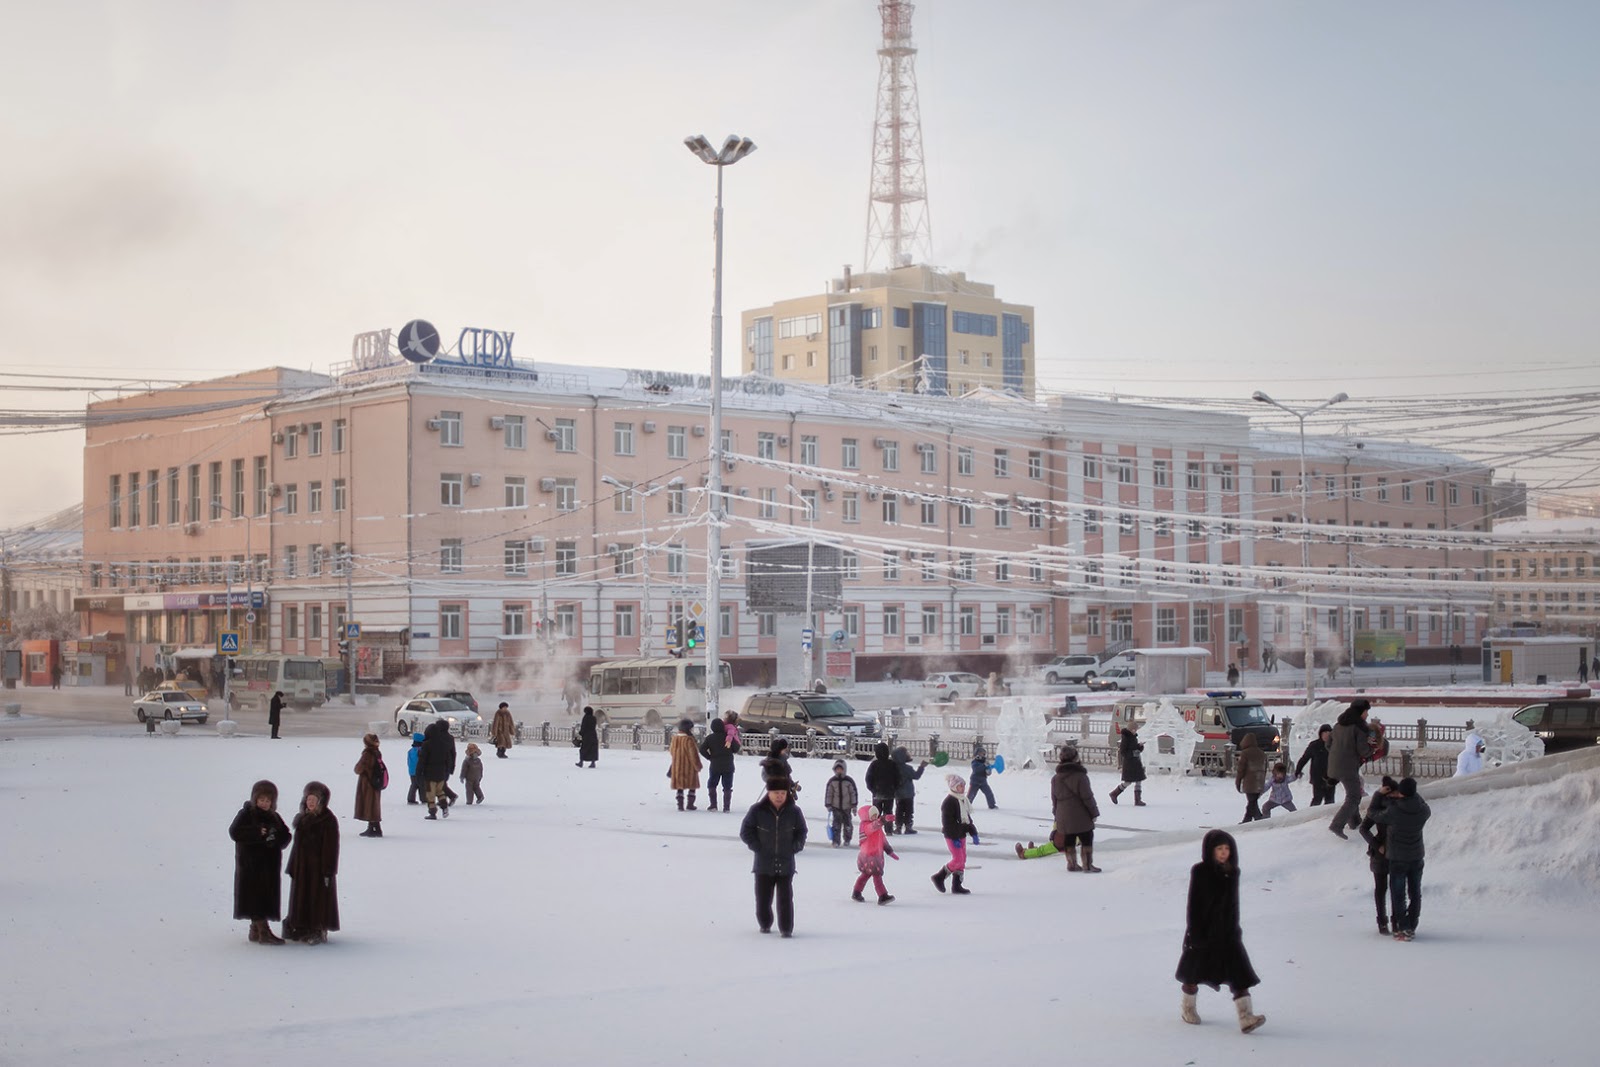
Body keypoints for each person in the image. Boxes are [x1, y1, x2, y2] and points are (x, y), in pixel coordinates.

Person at [1176, 830, 1265, 1033]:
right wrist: (1195, 933)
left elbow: (1234, 904)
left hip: (1228, 934)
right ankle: (1187, 1008)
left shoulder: (1232, 871)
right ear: (1210, 850)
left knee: (1239, 973)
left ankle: (1246, 1017)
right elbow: (1194, 905)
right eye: (1219, 849)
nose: (1224, 853)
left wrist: (1235, 929)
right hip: (1202, 932)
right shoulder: (1200, 872)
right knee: (1193, 974)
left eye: (1227, 848)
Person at [738, 775, 808, 938]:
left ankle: (786, 928)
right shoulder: (757, 810)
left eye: (782, 793)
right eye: (776, 793)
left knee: (785, 899)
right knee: (763, 898)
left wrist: (795, 846)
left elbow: (802, 832)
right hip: (763, 863)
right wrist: (757, 846)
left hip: (786, 863)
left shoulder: (794, 812)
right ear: (769, 793)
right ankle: (765, 923)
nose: (779, 796)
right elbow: (745, 831)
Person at [228, 779, 291, 945]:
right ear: (255, 799)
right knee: (256, 897)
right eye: (262, 800)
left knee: (264, 896)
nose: (264, 803)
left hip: (269, 867)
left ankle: (255, 930)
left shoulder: (274, 816)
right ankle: (263, 931)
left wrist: (274, 837)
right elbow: (234, 832)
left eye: (268, 800)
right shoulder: (246, 814)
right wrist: (257, 832)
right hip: (251, 866)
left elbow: (286, 836)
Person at [1370, 777, 1430, 941]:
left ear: (1401, 793)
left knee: (1398, 894)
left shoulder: (1394, 811)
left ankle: (1403, 928)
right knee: (1415, 892)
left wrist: (1377, 795)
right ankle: (1412, 924)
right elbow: (1420, 802)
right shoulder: (1424, 811)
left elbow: (1373, 814)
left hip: (1397, 858)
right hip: (1417, 856)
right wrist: (1410, 795)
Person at [283, 781, 339, 945]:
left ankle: (318, 928)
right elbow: (296, 846)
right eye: (309, 798)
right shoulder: (302, 819)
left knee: (317, 898)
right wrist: (292, 866)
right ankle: (301, 927)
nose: (311, 802)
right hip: (302, 867)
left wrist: (328, 870)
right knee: (301, 897)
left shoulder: (328, 820)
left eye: (314, 799)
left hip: (318, 869)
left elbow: (331, 848)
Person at [1326, 699, 1374, 839]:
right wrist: (1373, 748)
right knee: (1354, 796)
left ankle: (1354, 822)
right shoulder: (1359, 728)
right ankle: (1337, 824)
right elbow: (1364, 751)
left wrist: (1338, 754)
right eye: (1366, 712)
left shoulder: (1338, 725)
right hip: (1348, 767)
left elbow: (1328, 745)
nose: (1367, 715)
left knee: (1351, 792)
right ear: (1361, 712)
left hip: (1334, 766)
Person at [1358, 776, 1399, 935]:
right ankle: (1390, 921)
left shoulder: (1379, 807)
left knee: (1383, 889)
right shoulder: (1383, 808)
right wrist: (1378, 846)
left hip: (1383, 851)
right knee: (1389, 888)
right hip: (1386, 852)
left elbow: (1363, 829)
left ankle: (1384, 922)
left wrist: (1376, 845)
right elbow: (1364, 828)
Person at [1050, 745, 1101, 872]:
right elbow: (1087, 797)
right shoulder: (1080, 776)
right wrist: (1094, 812)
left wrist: (1056, 815)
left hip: (1063, 814)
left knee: (1069, 838)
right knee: (1087, 837)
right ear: (1075, 758)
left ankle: (1071, 864)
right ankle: (1087, 865)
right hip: (1081, 814)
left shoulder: (1056, 778)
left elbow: (1054, 799)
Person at [932, 774, 978, 895]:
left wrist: (973, 832)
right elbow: (948, 823)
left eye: (964, 785)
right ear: (954, 787)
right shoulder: (949, 802)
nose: (963, 788)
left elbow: (967, 819)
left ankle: (957, 885)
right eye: (960, 786)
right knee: (958, 859)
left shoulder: (963, 800)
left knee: (962, 859)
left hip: (961, 834)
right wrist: (954, 837)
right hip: (952, 835)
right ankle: (939, 877)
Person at [853, 804, 899, 903]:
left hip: (876, 856)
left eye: (876, 815)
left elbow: (883, 840)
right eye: (872, 815)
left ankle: (856, 892)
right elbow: (874, 826)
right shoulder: (865, 826)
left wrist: (889, 851)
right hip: (868, 857)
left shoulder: (877, 828)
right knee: (877, 876)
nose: (875, 817)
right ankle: (883, 895)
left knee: (865, 875)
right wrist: (883, 819)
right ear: (867, 816)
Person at [418, 718, 457, 820]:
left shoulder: (426, 744)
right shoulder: (443, 744)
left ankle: (432, 812)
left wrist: (419, 772)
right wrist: (449, 768)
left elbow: (422, 760)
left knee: (430, 794)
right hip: (441, 772)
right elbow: (449, 757)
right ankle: (444, 807)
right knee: (440, 791)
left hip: (429, 774)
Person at [699, 717, 739, 812]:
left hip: (715, 765)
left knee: (712, 784)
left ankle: (713, 805)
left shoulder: (710, 738)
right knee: (727, 786)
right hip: (728, 765)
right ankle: (726, 807)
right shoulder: (728, 737)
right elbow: (736, 749)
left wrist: (709, 757)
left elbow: (702, 749)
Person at [1293, 724, 1336, 806]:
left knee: (1330, 801)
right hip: (1318, 778)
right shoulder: (1314, 745)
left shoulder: (1334, 745)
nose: (1326, 735)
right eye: (1324, 733)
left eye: (1328, 732)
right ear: (1320, 734)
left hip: (1331, 777)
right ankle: (1311, 816)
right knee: (1317, 799)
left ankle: (1327, 818)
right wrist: (1298, 770)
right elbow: (1304, 758)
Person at [352, 733, 386, 838]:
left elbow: (358, 769)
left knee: (368, 804)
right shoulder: (377, 752)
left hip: (367, 783)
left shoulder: (367, 754)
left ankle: (372, 828)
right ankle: (375, 827)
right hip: (375, 781)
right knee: (373, 804)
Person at [891, 745, 929, 834]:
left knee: (899, 810)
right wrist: (921, 767)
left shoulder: (893, 768)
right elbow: (916, 776)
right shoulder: (908, 768)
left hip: (898, 794)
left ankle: (898, 827)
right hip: (908, 794)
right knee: (909, 811)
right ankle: (908, 827)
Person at [668, 718, 703, 810]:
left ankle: (680, 805)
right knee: (692, 786)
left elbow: (671, 751)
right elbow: (693, 755)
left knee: (680, 786)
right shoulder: (689, 740)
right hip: (689, 768)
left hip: (677, 766)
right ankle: (690, 804)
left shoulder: (675, 738)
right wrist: (697, 766)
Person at [1108, 725, 1147, 806]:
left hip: (1135, 762)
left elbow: (1134, 748)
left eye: (1136, 729)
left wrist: (1139, 747)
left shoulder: (1133, 737)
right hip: (1129, 763)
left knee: (1138, 780)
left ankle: (1137, 800)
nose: (1135, 731)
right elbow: (1123, 752)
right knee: (1128, 782)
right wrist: (1132, 753)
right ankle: (1114, 793)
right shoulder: (1126, 738)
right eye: (1134, 729)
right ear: (1130, 729)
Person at [1234, 733, 1267, 823]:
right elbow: (1265, 768)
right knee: (1253, 801)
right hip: (1259, 780)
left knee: (1252, 802)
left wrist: (1238, 781)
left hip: (1249, 782)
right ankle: (1251, 818)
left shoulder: (1245, 753)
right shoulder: (1261, 753)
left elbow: (1241, 769)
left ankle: (1256, 818)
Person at [865, 742, 899, 831]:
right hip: (890, 793)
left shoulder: (874, 764)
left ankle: (876, 829)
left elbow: (868, 779)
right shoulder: (892, 764)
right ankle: (889, 829)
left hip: (877, 792)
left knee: (876, 813)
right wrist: (894, 789)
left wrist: (873, 789)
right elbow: (898, 778)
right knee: (888, 812)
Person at [824, 759, 859, 846]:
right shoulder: (832, 781)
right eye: (837, 769)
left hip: (847, 807)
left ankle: (847, 839)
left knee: (848, 825)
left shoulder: (849, 781)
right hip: (836, 807)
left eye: (841, 769)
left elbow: (853, 793)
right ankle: (836, 841)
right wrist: (828, 804)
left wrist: (854, 805)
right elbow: (829, 793)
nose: (839, 771)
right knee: (836, 825)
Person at [406, 732, 425, 805]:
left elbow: (408, 761)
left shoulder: (410, 751)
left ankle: (411, 798)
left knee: (413, 784)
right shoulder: (421, 751)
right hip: (420, 771)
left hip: (412, 771)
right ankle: (424, 798)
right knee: (422, 785)